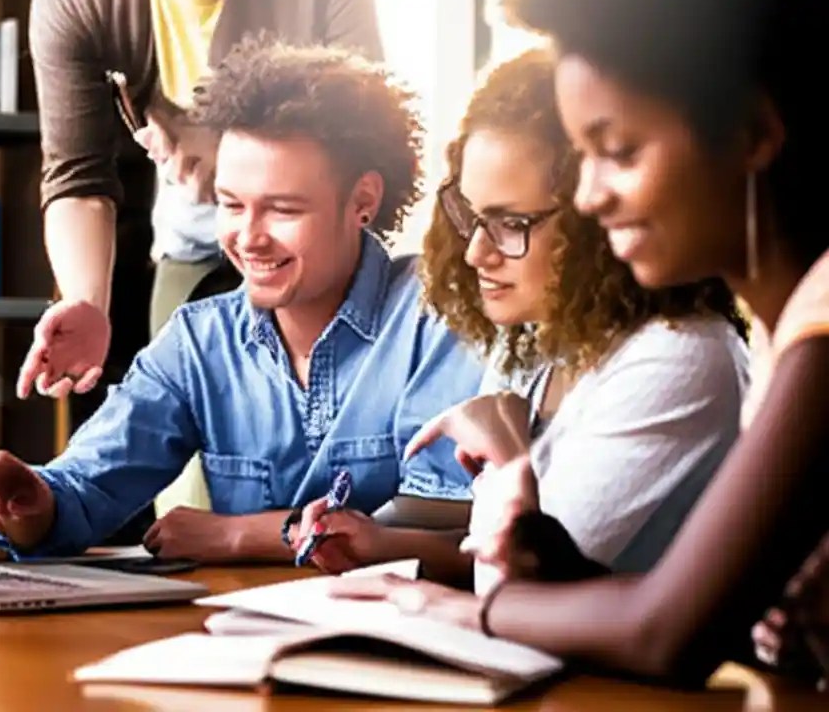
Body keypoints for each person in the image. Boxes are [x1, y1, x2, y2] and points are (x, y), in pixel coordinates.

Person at [329, 0, 829, 689]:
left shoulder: (818, 332)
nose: (590, 197)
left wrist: (457, 610)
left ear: (751, 134)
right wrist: (540, 553)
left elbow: (666, 632)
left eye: (618, 152)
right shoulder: (788, 335)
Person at [0, 37, 485, 563]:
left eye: (282, 210)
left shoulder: (435, 314)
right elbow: (84, 491)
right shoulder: (198, 341)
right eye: (231, 205)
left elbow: (444, 534)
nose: (247, 237)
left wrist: (243, 535)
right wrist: (30, 502)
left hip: (406, 637)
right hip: (246, 634)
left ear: (362, 201)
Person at [287, 50, 749, 589]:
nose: (475, 254)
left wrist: (506, 458)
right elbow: (490, 554)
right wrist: (383, 544)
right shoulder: (536, 341)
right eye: (472, 217)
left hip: (612, 673)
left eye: (511, 222)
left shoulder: (678, 358)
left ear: (594, 218)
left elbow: (516, 579)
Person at [22, 0, 385, 516]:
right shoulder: (80, 1)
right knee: (187, 489)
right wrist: (86, 299)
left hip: (323, 255)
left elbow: (372, 129)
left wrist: (238, 159)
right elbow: (76, 175)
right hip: (190, 240)